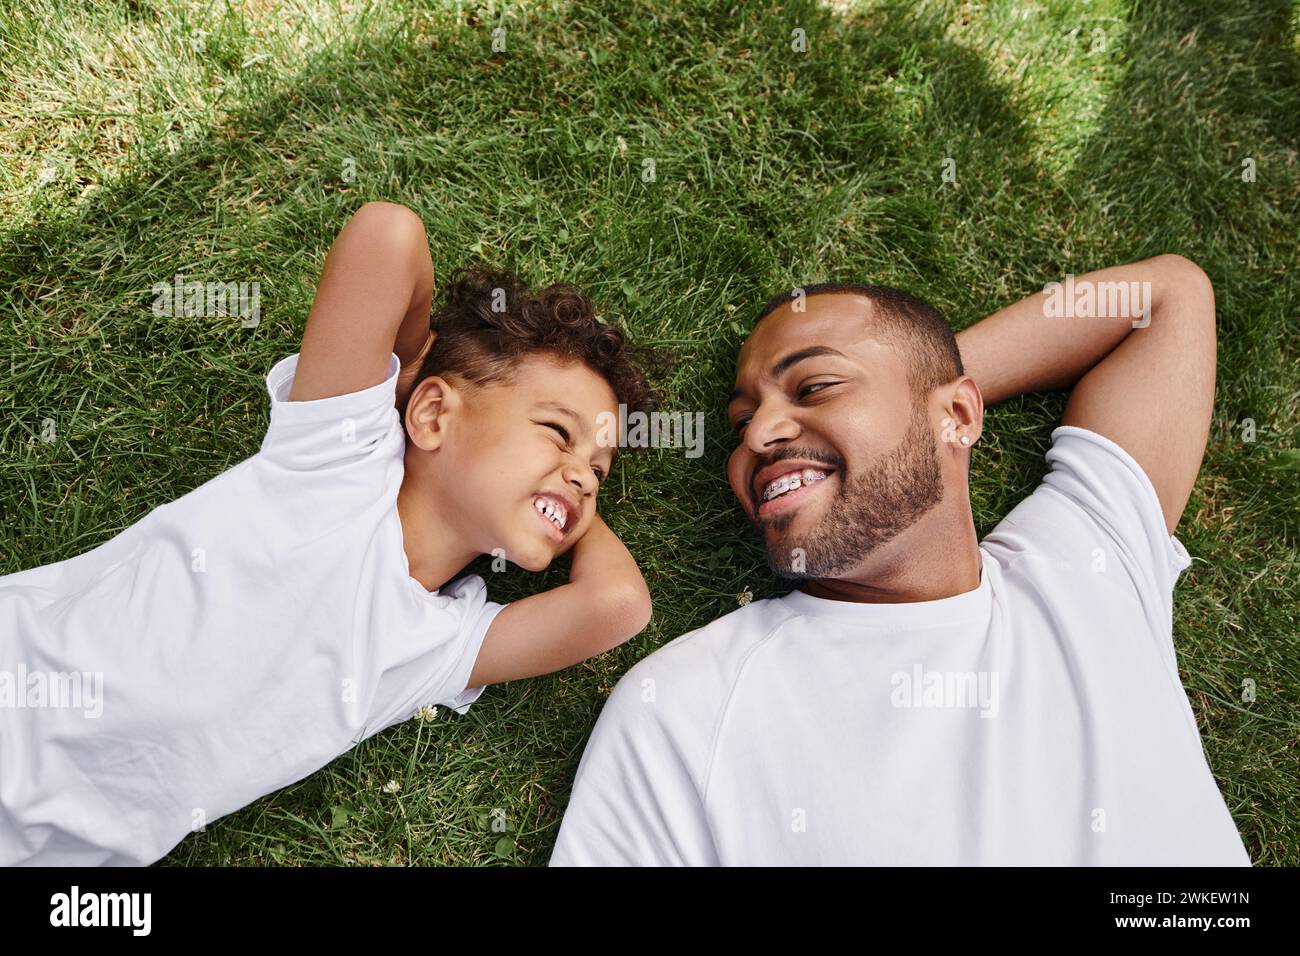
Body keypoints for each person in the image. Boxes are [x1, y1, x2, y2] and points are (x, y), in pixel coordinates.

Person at [0, 202, 656, 865]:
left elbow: (618, 605)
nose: (584, 476)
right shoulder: (338, 463)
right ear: (431, 415)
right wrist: (414, 367)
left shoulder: (434, 645)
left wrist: (566, 486)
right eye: (555, 429)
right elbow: (387, 235)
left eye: (600, 469)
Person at [549, 254, 1251, 866]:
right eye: (742, 421)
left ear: (962, 416)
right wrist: (914, 400)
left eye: (815, 386)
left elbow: (1165, 299)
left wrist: (931, 391)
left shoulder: (1085, 567)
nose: (759, 433)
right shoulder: (682, 708)